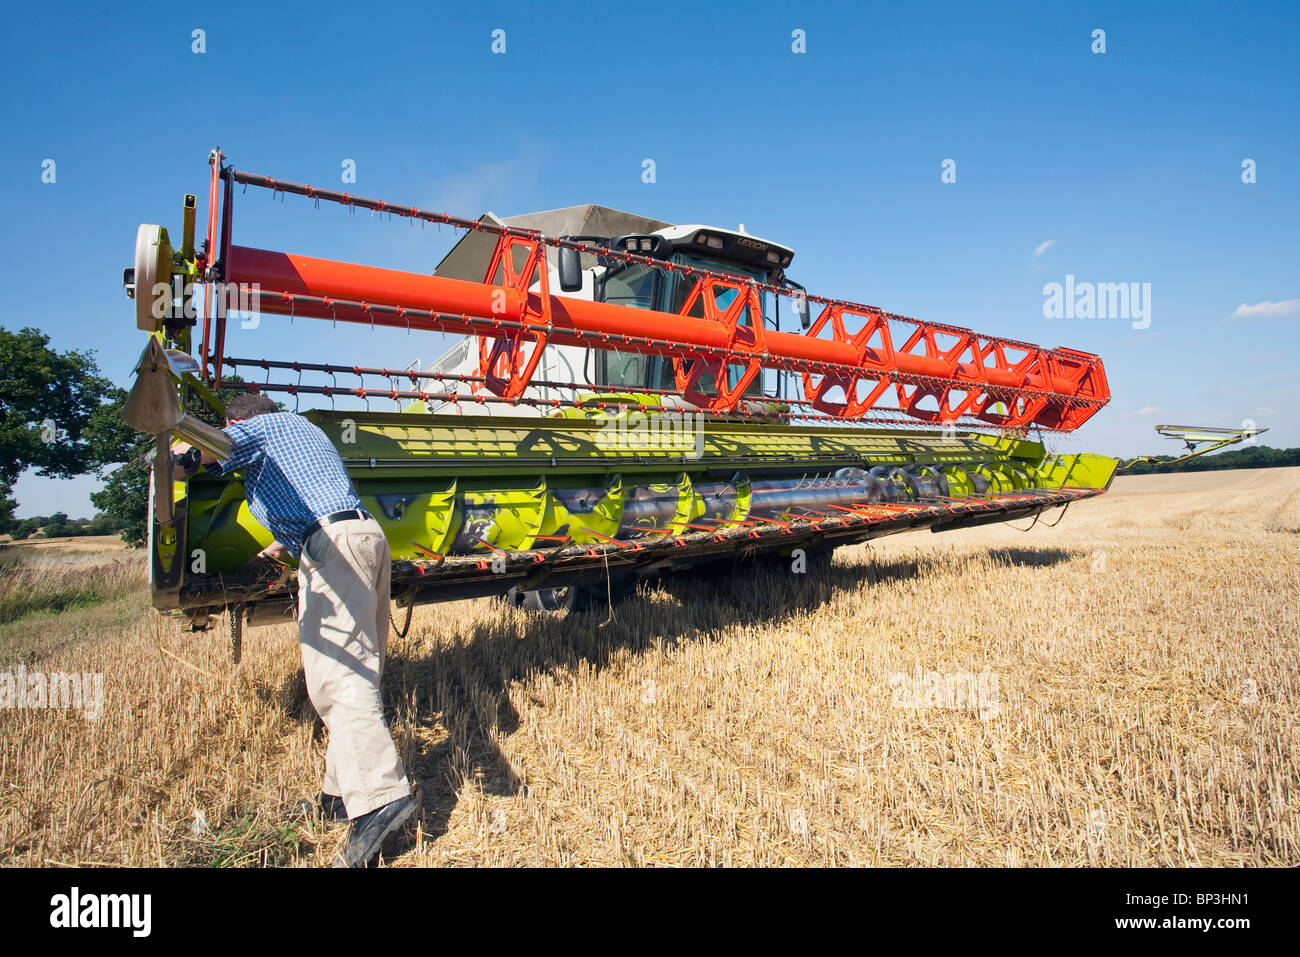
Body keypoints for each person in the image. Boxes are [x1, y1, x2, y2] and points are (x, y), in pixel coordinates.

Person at [172, 393, 415, 868]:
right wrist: (256, 568)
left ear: (235, 421)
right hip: (360, 537)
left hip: (333, 544)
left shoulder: (266, 428)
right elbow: (289, 536)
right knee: (353, 672)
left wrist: (175, 457)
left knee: (338, 679)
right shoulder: (295, 444)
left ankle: (382, 796)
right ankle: (339, 795)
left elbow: (208, 449)